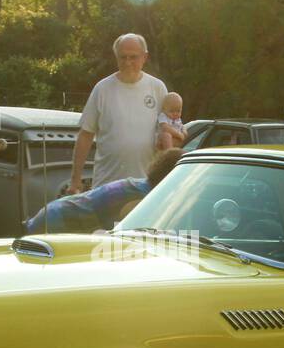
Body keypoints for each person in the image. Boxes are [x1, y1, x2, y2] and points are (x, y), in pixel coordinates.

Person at [67, 33, 169, 193]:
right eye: (123, 57)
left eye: (133, 57)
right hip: (106, 185)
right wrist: (75, 180)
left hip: (147, 184)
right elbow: (85, 135)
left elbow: (169, 129)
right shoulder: (102, 89)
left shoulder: (157, 88)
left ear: (145, 57)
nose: (128, 62)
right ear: (116, 57)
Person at [25, 149, 182, 235]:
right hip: (54, 223)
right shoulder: (141, 200)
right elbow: (124, 238)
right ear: (172, 178)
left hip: (52, 212)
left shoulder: (140, 185)